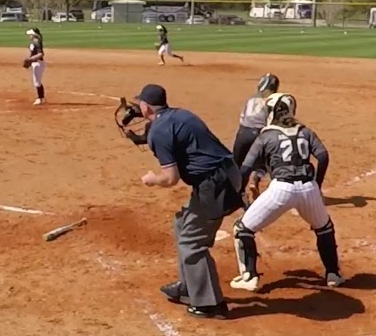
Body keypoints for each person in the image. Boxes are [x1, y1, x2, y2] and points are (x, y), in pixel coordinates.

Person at [133, 83, 244, 320]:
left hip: (216, 184)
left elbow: (170, 178)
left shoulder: (159, 131)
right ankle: (189, 286)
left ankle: (209, 304)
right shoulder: (180, 114)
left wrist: (152, 180)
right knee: (182, 223)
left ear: (146, 107)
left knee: (192, 242)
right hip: (225, 172)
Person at [231, 92, 343, 291]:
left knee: (242, 229)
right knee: (324, 227)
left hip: (280, 190)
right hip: (309, 189)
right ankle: (333, 274)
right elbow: (323, 156)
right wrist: (317, 185)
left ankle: (249, 277)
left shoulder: (266, 136)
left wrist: (239, 191)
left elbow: (246, 168)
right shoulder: (305, 132)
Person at [231, 73, 279, 166]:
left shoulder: (251, 99)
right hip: (259, 135)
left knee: (236, 164)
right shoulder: (273, 101)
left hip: (242, 133)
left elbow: (242, 117)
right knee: (262, 166)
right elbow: (272, 122)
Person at [25, 28, 46, 105]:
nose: (29, 36)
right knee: (36, 81)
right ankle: (41, 98)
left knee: (37, 82)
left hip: (38, 63)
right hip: (35, 63)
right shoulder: (34, 41)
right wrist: (30, 61)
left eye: (31, 34)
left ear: (34, 35)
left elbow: (41, 54)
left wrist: (31, 59)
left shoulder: (37, 41)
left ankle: (40, 99)